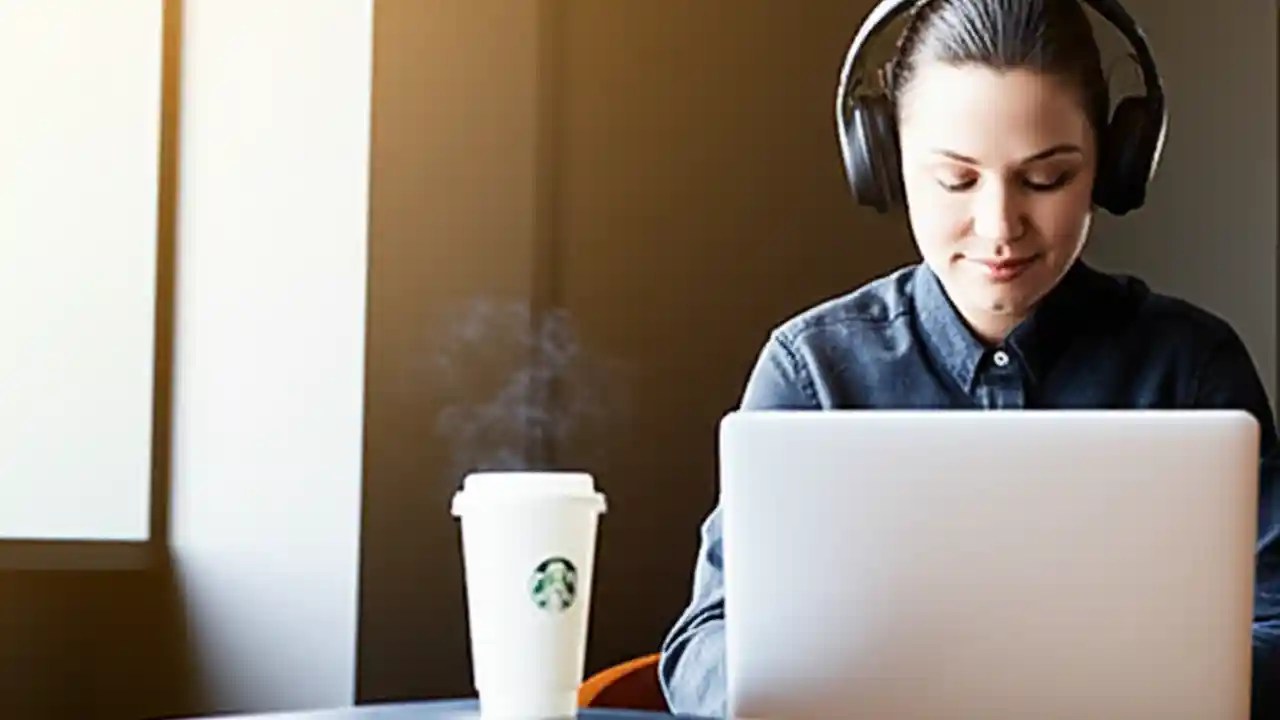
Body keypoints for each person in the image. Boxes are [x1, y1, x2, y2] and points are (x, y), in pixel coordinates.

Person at [657, 0, 1280, 717]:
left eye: (1046, 179)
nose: (999, 227)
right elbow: (704, 644)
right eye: (956, 180)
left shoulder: (1191, 369)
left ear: (1114, 167)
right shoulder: (813, 370)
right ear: (885, 164)